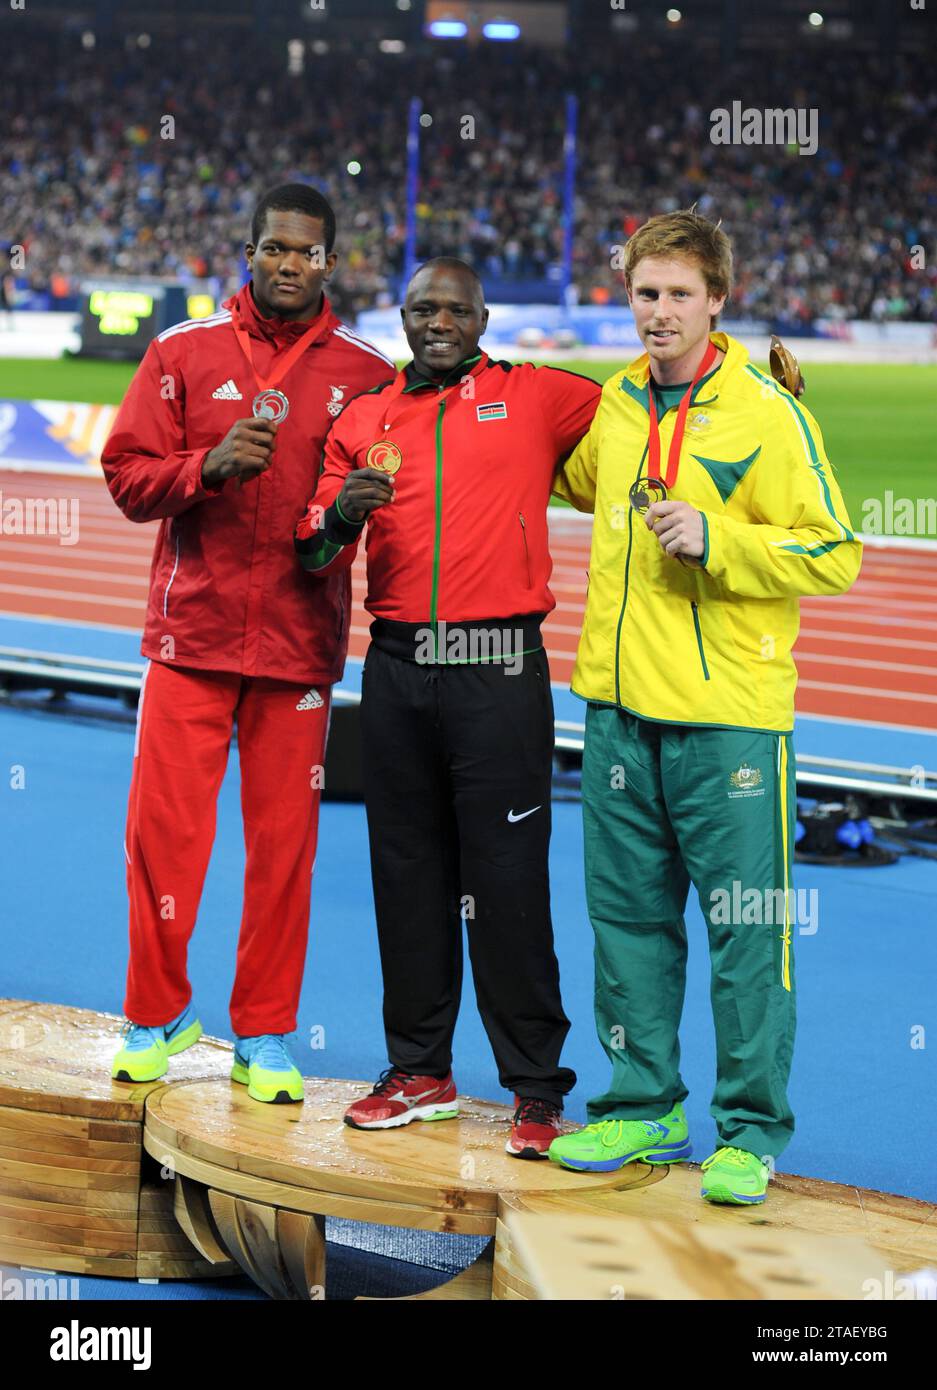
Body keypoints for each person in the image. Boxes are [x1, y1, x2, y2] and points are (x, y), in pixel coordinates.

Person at [547, 210, 861, 1202]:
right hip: (613, 716)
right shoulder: (614, 405)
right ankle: (641, 1107)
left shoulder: (767, 413)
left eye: (681, 293)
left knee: (744, 930)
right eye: (645, 292)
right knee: (626, 924)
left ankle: (750, 1132)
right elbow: (560, 480)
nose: (660, 311)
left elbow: (835, 550)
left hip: (730, 721)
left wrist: (720, 537)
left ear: (718, 299)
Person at [295, 258, 600, 1157]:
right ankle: (419, 1071)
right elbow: (311, 552)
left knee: (506, 881)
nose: (438, 320)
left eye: (455, 309)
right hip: (394, 669)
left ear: (482, 317)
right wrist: (340, 519)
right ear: (401, 315)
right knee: (407, 872)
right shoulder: (361, 420)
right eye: (422, 307)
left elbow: (656, 406)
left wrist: (752, 387)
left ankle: (537, 1090)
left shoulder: (540, 396)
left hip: (498, 668)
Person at [103, 184, 394, 1102]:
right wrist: (203, 467)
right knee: (163, 840)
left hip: (298, 654)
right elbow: (124, 473)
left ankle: (264, 1034)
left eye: (305, 252)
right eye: (273, 247)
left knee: (284, 853)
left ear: (330, 262)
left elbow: (383, 498)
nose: (287, 263)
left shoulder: (364, 373)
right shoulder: (181, 352)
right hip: (190, 640)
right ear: (250, 251)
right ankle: (154, 1015)